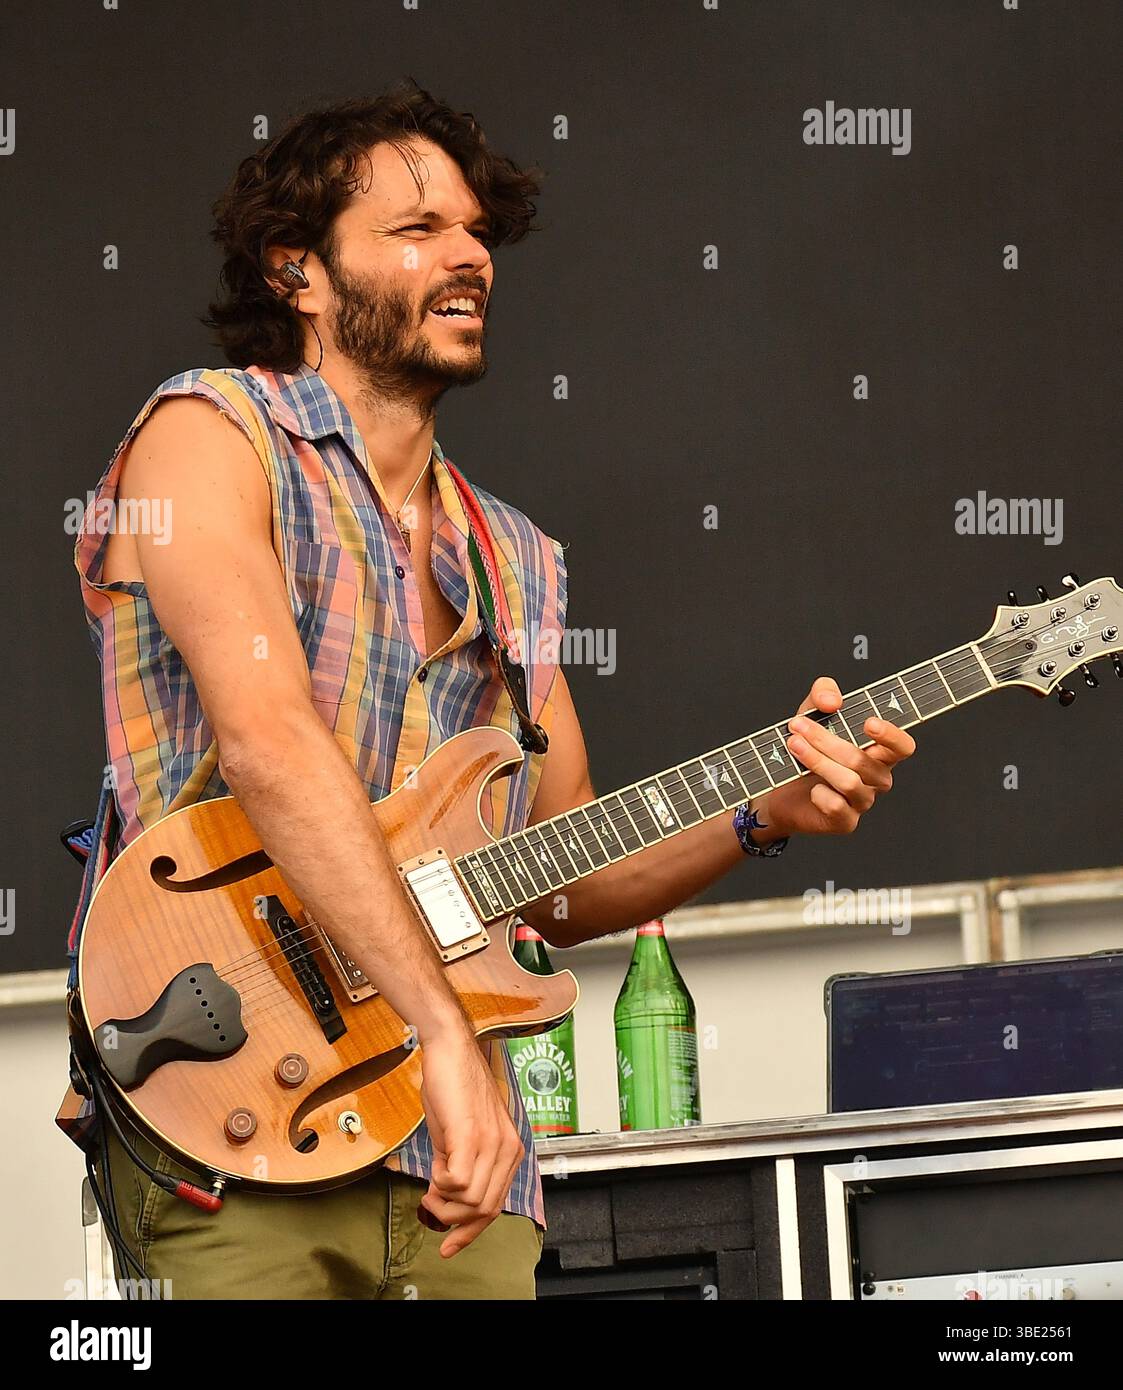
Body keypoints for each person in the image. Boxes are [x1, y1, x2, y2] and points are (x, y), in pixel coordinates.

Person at [74, 79, 916, 1300]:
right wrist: (437, 1028)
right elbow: (268, 745)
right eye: (416, 229)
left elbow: (563, 882)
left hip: (459, 1169)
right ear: (296, 269)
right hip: (237, 1114)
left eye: (476, 231)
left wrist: (761, 813)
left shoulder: (512, 553)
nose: (467, 254)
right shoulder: (209, 437)